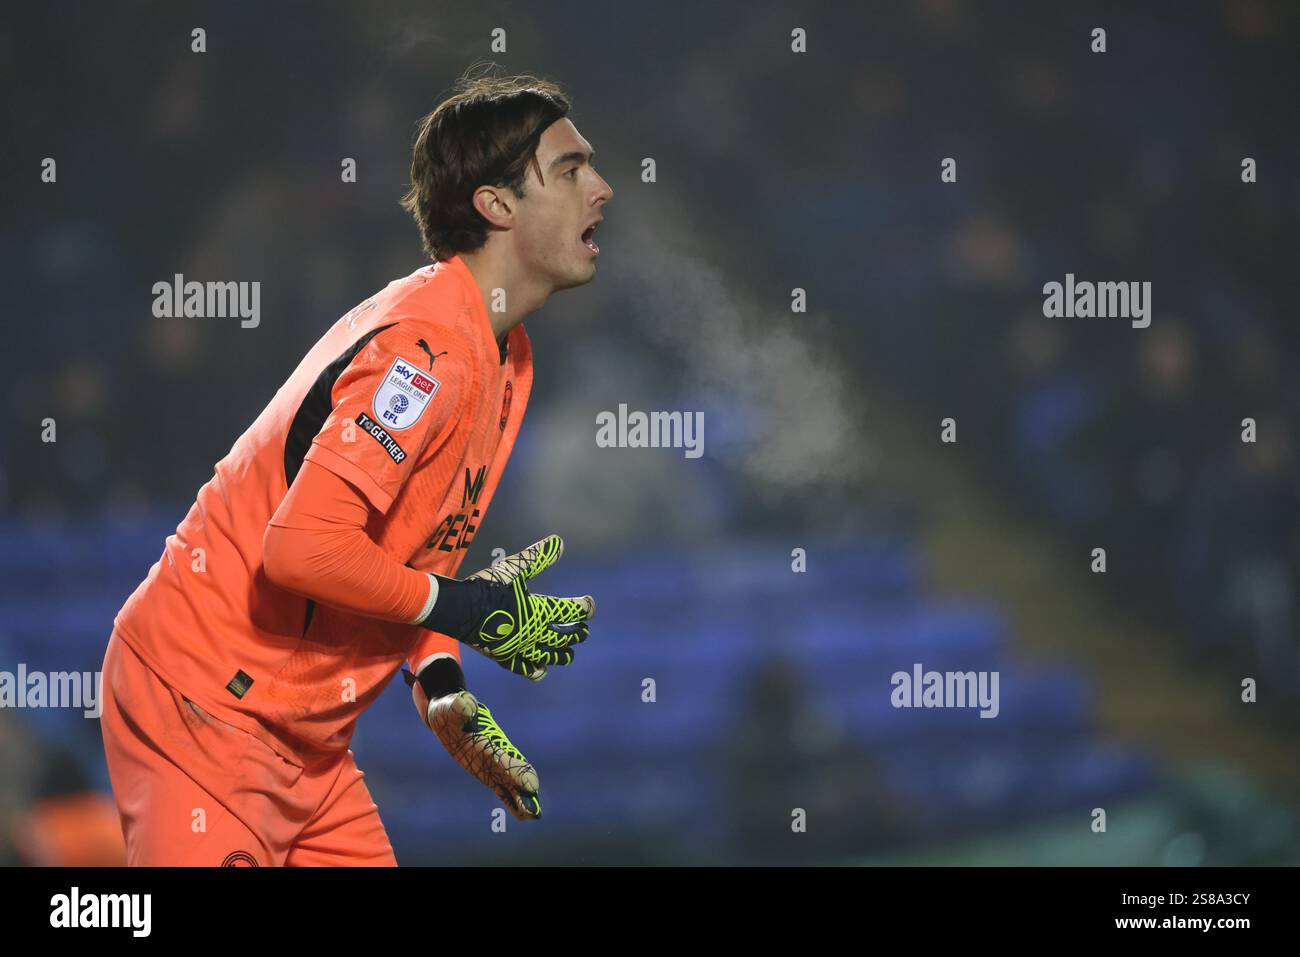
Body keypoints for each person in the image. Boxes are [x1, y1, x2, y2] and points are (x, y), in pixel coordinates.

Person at [100, 70, 613, 866]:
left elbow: (408, 561)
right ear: (497, 204)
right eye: (573, 170)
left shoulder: (508, 360)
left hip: (306, 743)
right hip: (202, 702)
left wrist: (442, 686)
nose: (604, 189)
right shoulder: (424, 349)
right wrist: (471, 607)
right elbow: (302, 547)